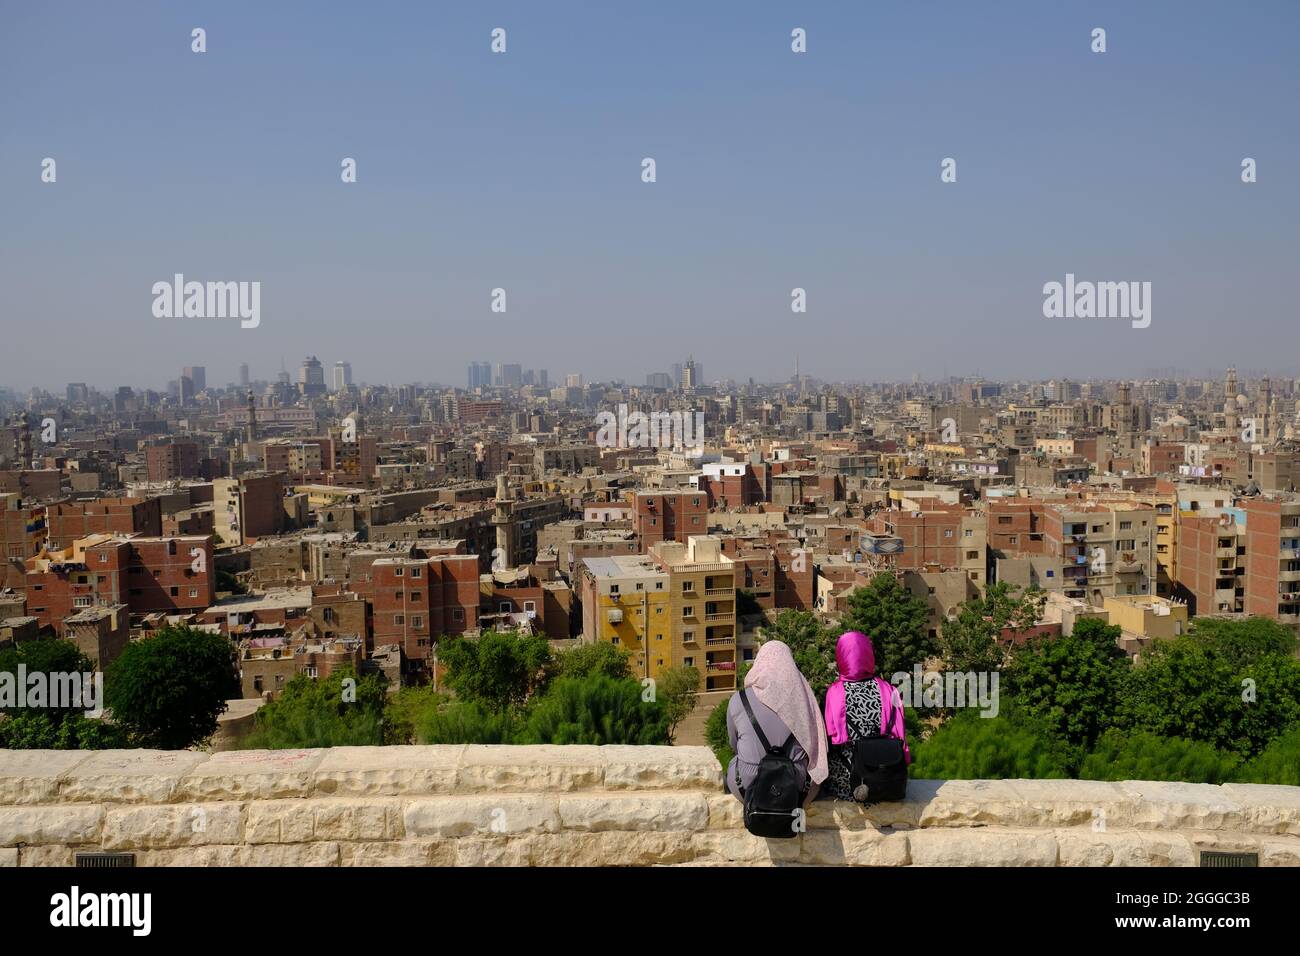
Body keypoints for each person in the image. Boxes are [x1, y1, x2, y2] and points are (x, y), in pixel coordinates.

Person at [726, 640, 827, 806]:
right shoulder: (805, 700)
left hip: (747, 786)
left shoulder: (739, 700)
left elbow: (734, 744)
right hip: (798, 787)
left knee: (733, 761)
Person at [822, 630, 910, 802]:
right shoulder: (889, 690)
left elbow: (830, 740)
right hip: (888, 777)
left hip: (849, 783)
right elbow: (901, 737)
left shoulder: (835, 693)